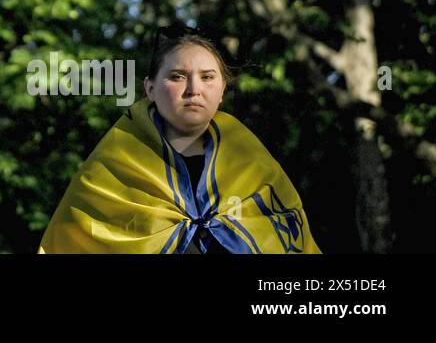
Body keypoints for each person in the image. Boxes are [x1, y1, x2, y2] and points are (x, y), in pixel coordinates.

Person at [40, 26, 321, 253]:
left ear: (222, 90)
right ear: (150, 88)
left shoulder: (253, 164)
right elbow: (71, 240)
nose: (193, 89)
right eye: (178, 76)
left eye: (207, 77)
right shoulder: (112, 164)